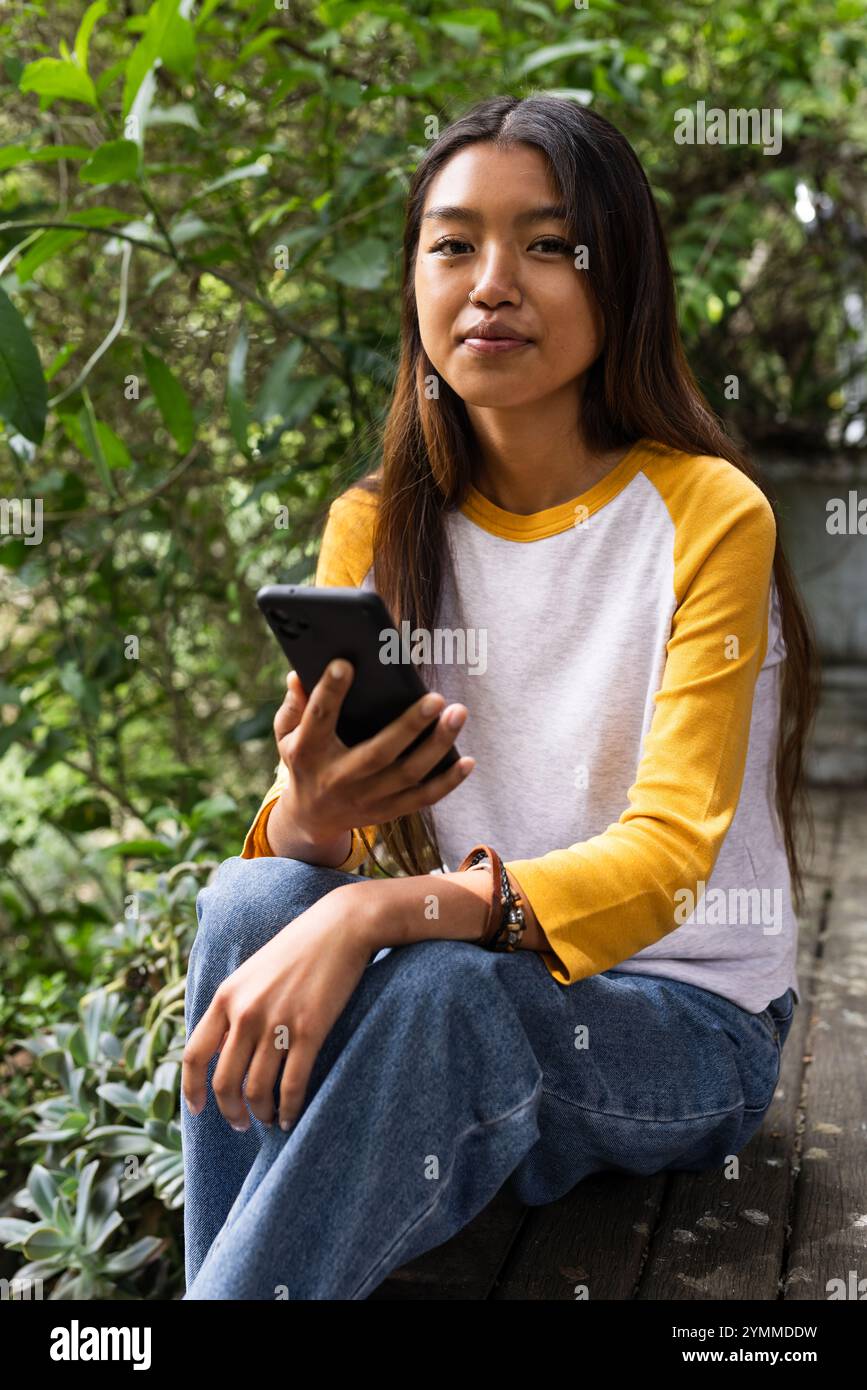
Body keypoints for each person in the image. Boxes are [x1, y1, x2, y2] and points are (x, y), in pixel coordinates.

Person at [180, 94, 819, 1301]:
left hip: (682, 1024)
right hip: (468, 991)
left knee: (434, 986)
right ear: (417, 282)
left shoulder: (704, 513)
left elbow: (676, 852)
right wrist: (316, 818)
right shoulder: (375, 526)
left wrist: (376, 912)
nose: (493, 283)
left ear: (619, 275)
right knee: (250, 897)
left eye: (548, 244)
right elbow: (335, 851)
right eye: (455, 243)